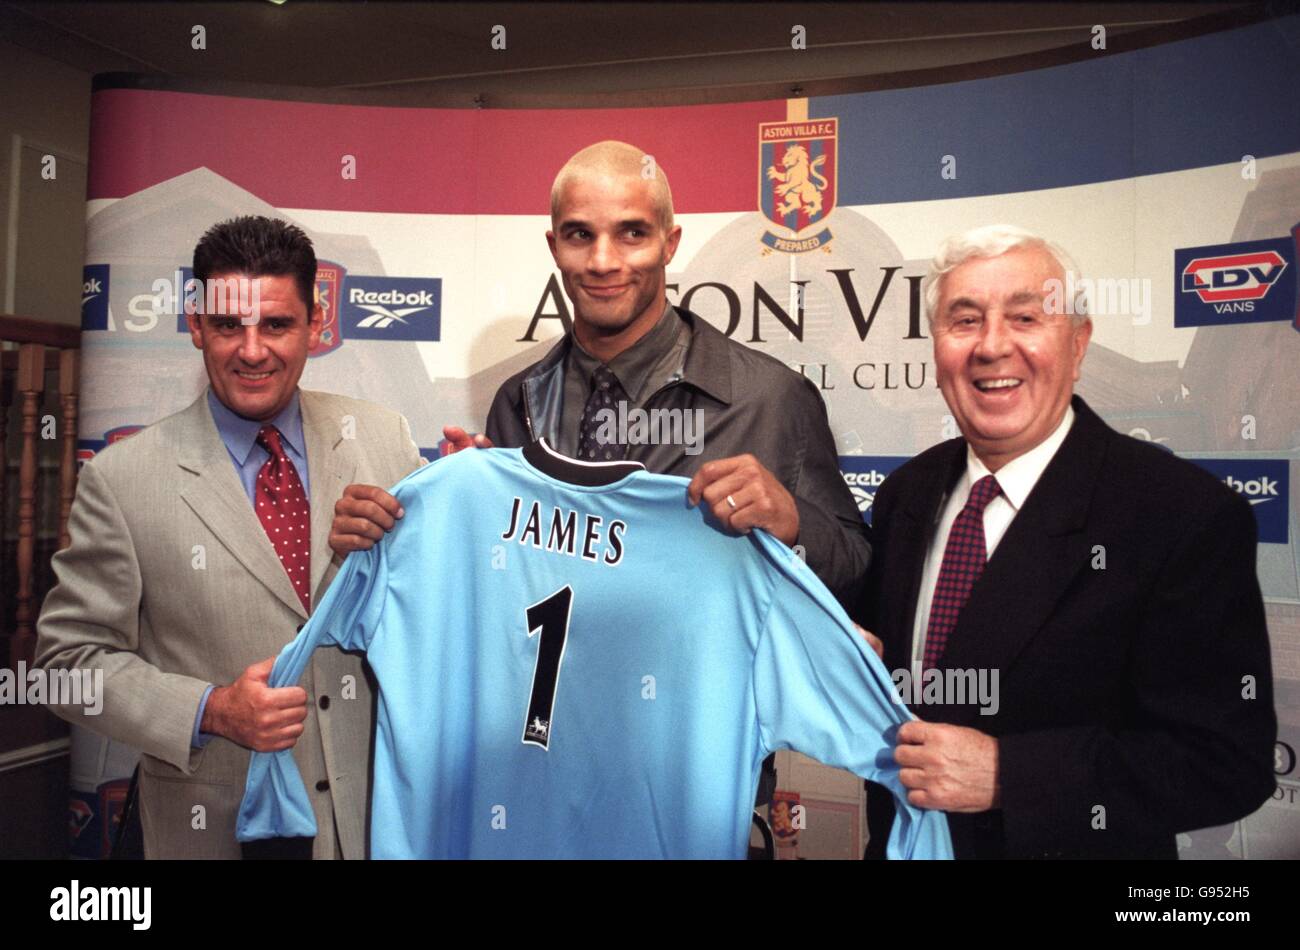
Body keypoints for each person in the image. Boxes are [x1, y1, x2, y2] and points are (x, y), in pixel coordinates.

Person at [859, 224, 1276, 859]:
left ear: (1078, 344)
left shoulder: (1184, 515)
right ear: (938, 345)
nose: (992, 346)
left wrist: (1010, 777)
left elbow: (1225, 763)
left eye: (1025, 317)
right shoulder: (904, 494)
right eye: (964, 321)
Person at [34, 216, 423, 858]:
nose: (252, 350)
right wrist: (211, 710)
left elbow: (431, 613)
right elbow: (65, 665)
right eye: (227, 326)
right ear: (195, 325)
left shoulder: (383, 439)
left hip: (371, 827)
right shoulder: (122, 479)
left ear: (316, 323)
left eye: (276, 324)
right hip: (211, 830)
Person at [331, 141, 868, 602]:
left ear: (669, 243)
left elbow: (859, 574)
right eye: (580, 235)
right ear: (554, 247)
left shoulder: (771, 397)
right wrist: (465, 510)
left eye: (632, 233)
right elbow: (507, 586)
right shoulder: (518, 400)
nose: (603, 262)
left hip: (704, 715)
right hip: (556, 713)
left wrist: (792, 521)